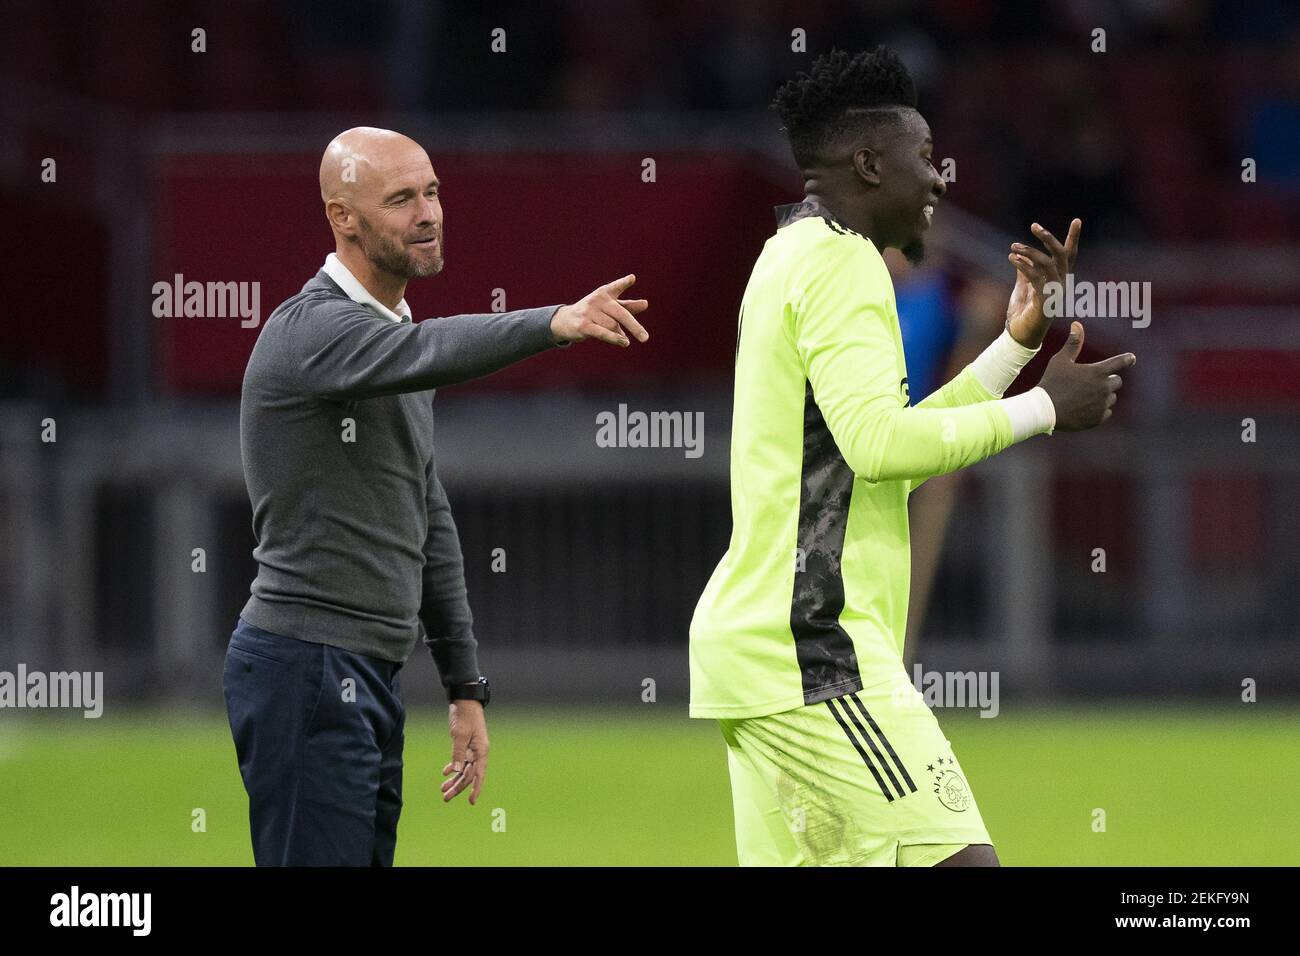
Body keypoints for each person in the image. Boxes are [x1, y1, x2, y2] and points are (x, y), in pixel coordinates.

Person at [688, 48, 1134, 866]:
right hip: (812, 651)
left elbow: (876, 449)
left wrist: (1012, 349)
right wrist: (1042, 409)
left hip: (764, 648)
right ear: (867, 163)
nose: (937, 181)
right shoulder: (843, 264)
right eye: (923, 159)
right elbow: (882, 447)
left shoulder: (790, 252)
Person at [224, 126, 649, 866]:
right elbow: (429, 353)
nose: (428, 213)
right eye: (401, 200)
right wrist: (553, 322)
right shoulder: (313, 330)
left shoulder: (387, 332)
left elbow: (429, 516)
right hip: (306, 664)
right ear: (343, 217)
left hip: (365, 671)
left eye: (432, 192)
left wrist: (465, 686)